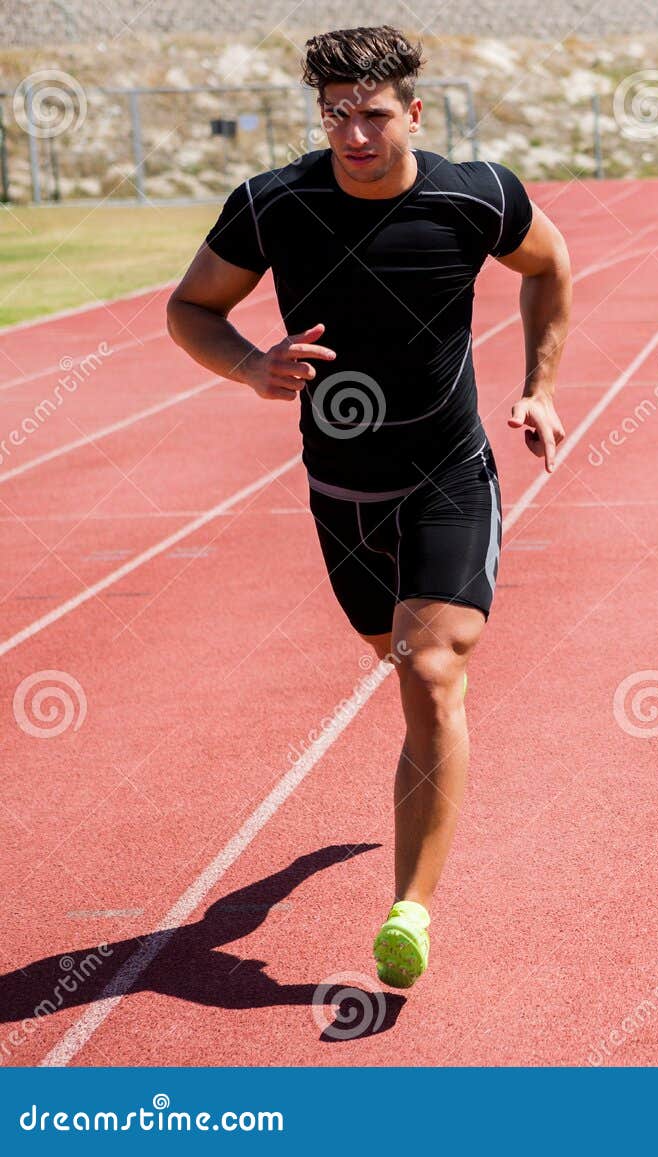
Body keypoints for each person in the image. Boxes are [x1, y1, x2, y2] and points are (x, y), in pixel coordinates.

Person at [166, 24, 572, 989]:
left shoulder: (476, 197)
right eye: (336, 114)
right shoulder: (275, 205)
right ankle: (395, 794)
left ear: (414, 113)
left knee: (431, 671)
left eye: (374, 114)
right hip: (341, 491)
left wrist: (540, 386)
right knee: (391, 659)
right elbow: (191, 309)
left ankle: (410, 910)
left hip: (447, 475)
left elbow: (550, 267)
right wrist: (249, 364)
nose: (354, 133)